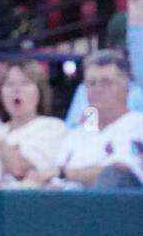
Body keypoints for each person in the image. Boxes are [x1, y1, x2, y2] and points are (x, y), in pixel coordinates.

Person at [37, 50, 143, 189]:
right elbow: (53, 180)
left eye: (106, 83)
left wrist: (64, 173)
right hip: (67, 205)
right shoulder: (75, 135)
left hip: (116, 206)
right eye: (91, 83)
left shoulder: (137, 124)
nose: (97, 89)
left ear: (127, 89)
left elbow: (122, 173)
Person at [64, 0, 143, 125]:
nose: (129, 57)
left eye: (133, 52)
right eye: (125, 52)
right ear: (111, 47)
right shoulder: (88, 88)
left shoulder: (138, 90)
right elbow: (81, 135)